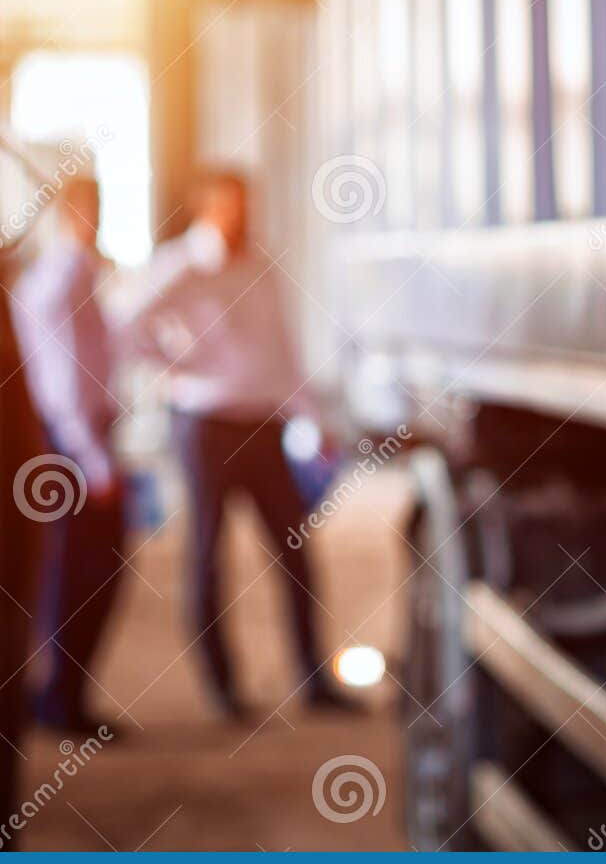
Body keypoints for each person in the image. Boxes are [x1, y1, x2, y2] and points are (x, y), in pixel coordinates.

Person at [119, 168, 351, 719]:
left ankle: (316, 682)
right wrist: (182, 364)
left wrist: (313, 418)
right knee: (208, 557)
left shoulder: (261, 265)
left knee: (294, 552)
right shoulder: (181, 267)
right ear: (205, 209)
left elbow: (282, 350)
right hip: (206, 427)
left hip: (264, 426)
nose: (239, 217)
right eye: (228, 207)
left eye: (245, 206)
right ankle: (225, 692)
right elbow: (125, 325)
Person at [8, 176, 126, 735]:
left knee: (85, 575)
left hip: (81, 438)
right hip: (72, 444)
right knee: (83, 576)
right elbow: (62, 384)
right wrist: (94, 462)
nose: (95, 218)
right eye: (88, 208)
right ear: (66, 213)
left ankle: (64, 696)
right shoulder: (58, 281)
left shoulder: (82, 274)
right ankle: (60, 699)